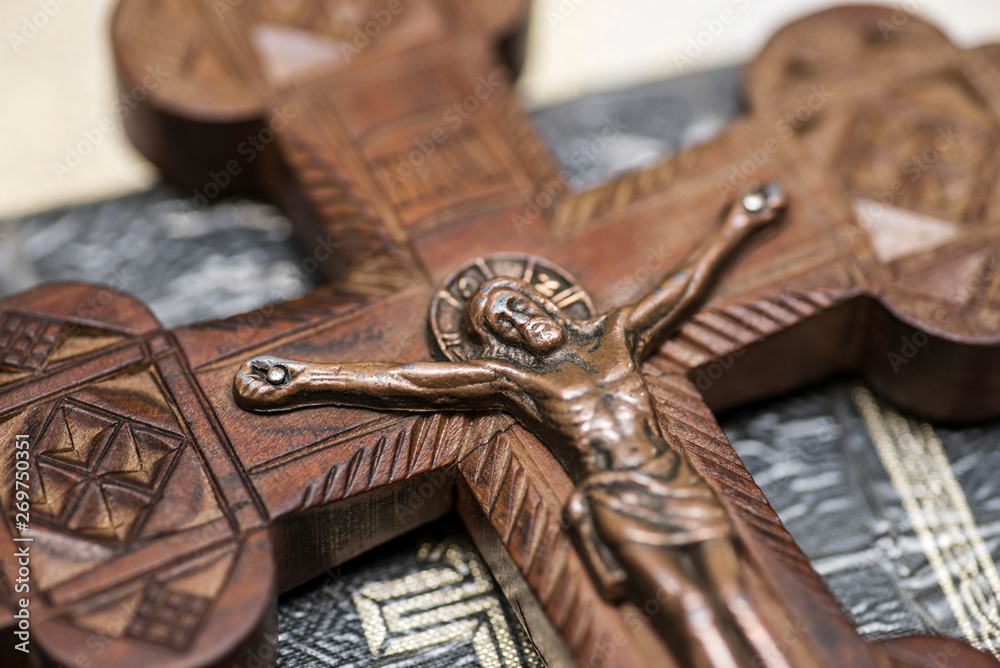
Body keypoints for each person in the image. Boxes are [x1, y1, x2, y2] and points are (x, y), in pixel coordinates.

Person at [234, 183, 814, 667]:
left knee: (736, 593)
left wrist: (740, 224)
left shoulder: (616, 339)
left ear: (547, 302)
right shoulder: (518, 385)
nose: (518, 318)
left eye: (518, 302)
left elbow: (680, 286)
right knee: (685, 605)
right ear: (497, 342)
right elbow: (407, 380)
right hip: (617, 499)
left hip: (677, 482)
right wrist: (308, 377)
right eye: (501, 320)